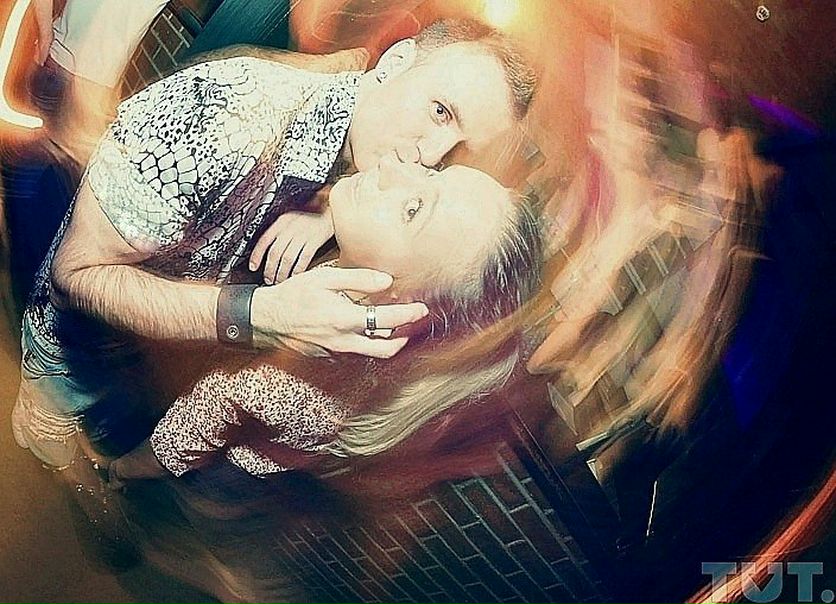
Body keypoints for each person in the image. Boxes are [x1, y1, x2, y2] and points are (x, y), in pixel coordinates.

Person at [12, 18, 538, 469]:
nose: (431, 155)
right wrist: (256, 315)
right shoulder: (226, 119)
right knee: (49, 448)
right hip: (81, 346)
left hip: (150, 359)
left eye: (459, 149)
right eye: (440, 112)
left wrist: (329, 212)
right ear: (395, 62)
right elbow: (76, 275)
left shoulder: (370, 161)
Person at [108, 156, 543, 483]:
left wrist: (117, 471)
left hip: (213, 461)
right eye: (434, 173)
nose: (394, 167)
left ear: (405, 301)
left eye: (412, 209)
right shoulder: (371, 296)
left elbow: (188, 432)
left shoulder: (308, 374)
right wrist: (328, 213)